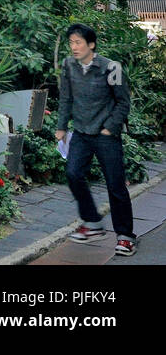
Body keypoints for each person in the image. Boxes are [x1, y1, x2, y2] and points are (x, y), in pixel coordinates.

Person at [55, 23, 135, 256]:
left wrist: (110, 128)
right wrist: (61, 127)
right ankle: (92, 223)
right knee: (73, 173)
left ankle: (125, 236)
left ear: (91, 44)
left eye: (78, 42)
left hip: (105, 134)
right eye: (71, 42)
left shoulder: (112, 67)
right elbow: (65, 99)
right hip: (80, 132)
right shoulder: (69, 65)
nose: (74, 47)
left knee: (115, 184)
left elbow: (123, 103)